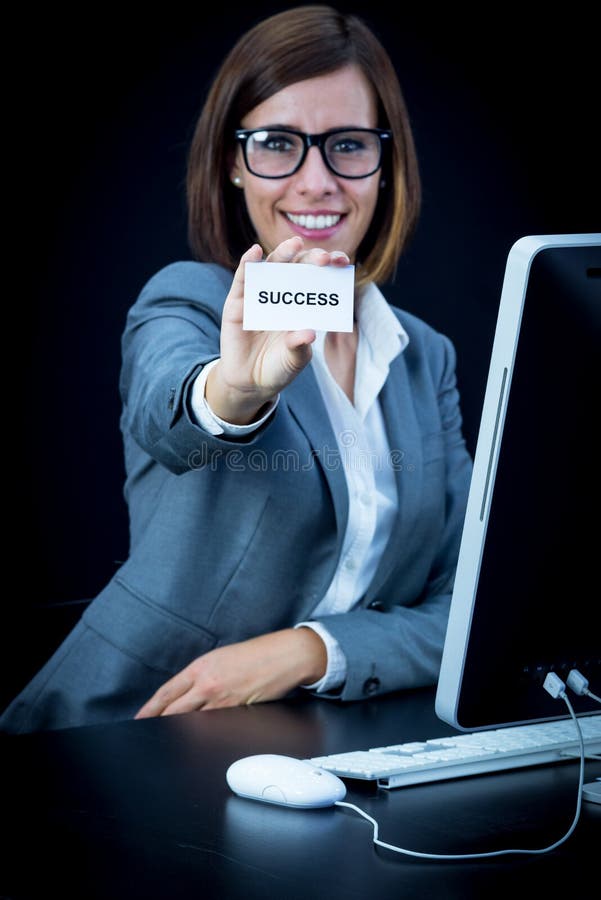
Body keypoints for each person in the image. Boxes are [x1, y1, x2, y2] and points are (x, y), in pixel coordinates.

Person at [1, 4, 472, 733]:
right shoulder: (186, 300)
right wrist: (234, 391)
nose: (316, 182)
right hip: (131, 728)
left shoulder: (423, 356)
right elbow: (167, 411)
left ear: (386, 165)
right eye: (278, 144)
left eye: (347, 145)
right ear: (231, 162)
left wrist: (309, 651)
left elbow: (467, 609)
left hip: (330, 742)